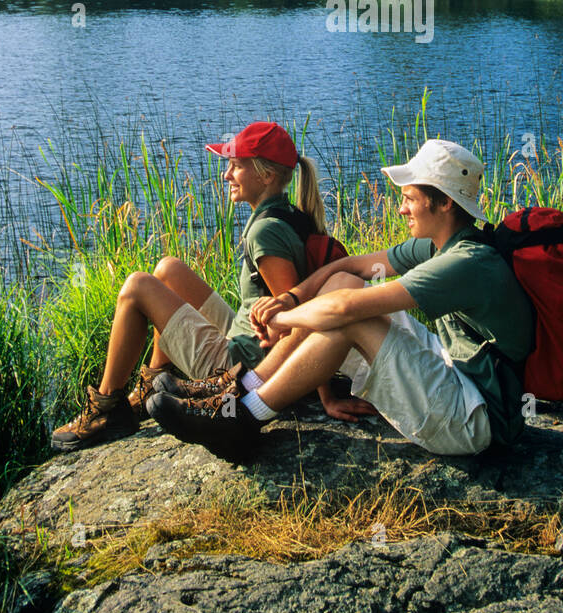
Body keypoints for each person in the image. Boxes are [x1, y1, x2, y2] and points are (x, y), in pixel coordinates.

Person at [147, 138, 535, 461]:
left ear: (445, 203)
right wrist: (291, 298)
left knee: (351, 317)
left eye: (410, 198)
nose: (401, 208)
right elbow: (351, 266)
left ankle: (245, 419)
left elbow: (348, 308)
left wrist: (284, 321)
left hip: (475, 419)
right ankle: (239, 391)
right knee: (345, 281)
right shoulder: (442, 245)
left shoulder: (466, 263)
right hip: (456, 374)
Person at [50, 121, 372, 452]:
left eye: (236, 166)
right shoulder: (289, 213)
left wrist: (326, 397)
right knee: (168, 269)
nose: (226, 175)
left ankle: (106, 409)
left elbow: (298, 321)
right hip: (244, 337)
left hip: (238, 365)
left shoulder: (265, 233)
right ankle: (149, 384)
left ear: (266, 176)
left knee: (136, 288)